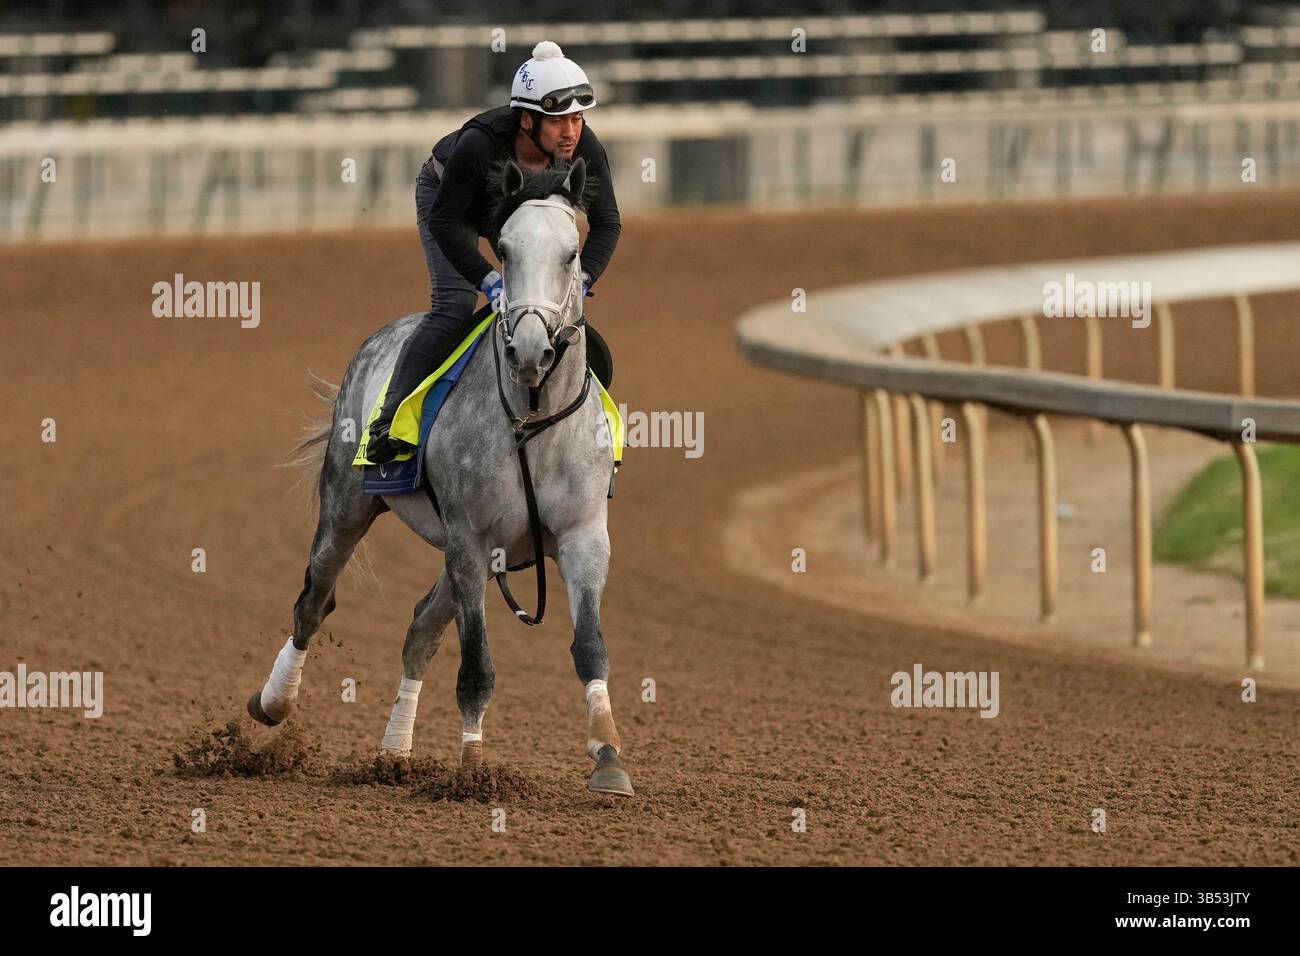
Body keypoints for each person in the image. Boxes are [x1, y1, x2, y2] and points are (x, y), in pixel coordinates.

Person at [362, 40, 622, 464]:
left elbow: (608, 222)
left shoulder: (583, 147)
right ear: (526, 120)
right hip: (454, 204)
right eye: (558, 121)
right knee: (454, 304)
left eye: (577, 119)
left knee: (549, 303)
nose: (571, 132)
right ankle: (388, 422)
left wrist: (583, 279)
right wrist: (488, 279)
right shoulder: (478, 145)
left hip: (520, 214)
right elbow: (444, 222)